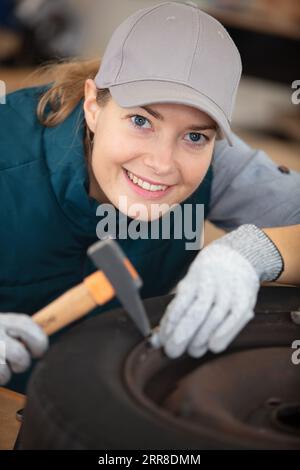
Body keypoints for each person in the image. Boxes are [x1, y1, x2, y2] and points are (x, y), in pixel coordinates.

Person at [0, 1, 299, 390]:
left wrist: (251, 254)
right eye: (141, 120)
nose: (161, 163)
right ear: (93, 106)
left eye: (195, 135)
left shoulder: (218, 163)